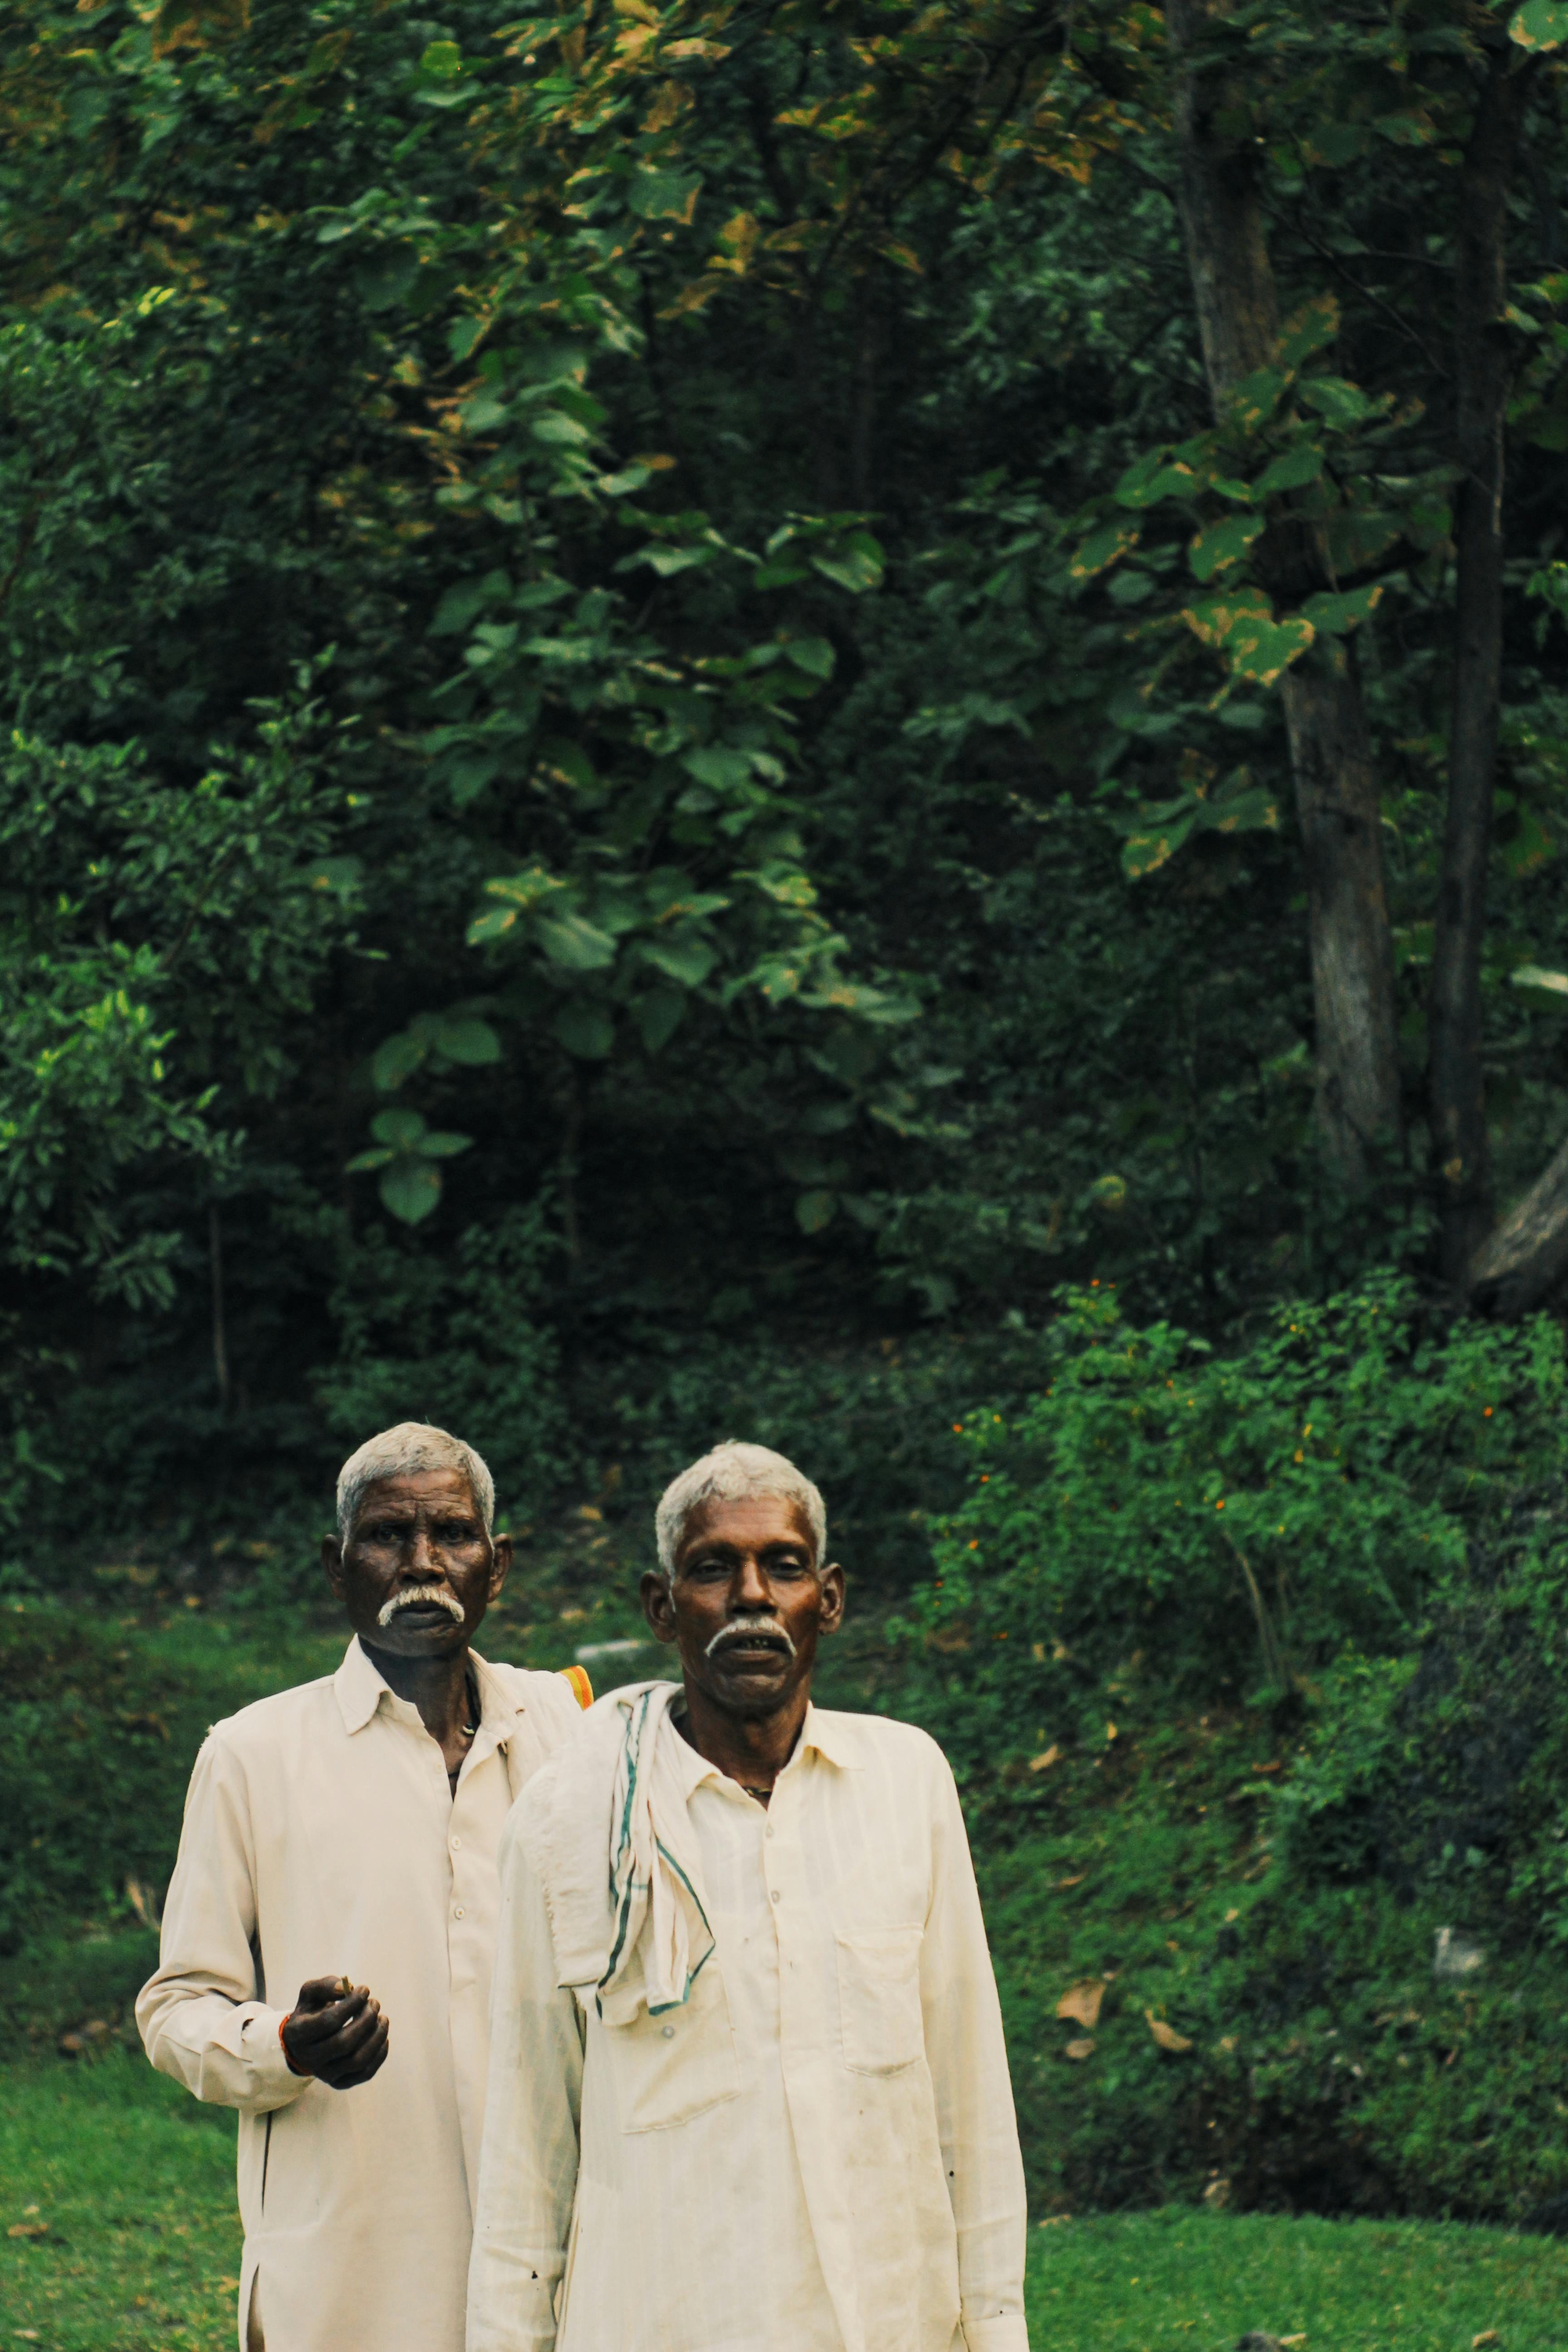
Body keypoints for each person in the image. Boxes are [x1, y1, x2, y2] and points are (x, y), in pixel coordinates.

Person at [467, 1440, 1029, 2352]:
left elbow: (970, 2101)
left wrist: (998, 2328)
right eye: (713, 1568)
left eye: (785, 1567)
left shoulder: (906, 1783)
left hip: (886, 2321)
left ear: (829, 1599)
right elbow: (528, 2150)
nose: (753, 1596)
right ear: (662, 1606)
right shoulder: (571, 1821)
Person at [137, 1422, 592, 2352]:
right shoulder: (253, 1755)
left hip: (557, 2262)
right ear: (336, 1567)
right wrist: (284, 2044)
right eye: (387, 1536)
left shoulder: (565, 1730)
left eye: (453, 1535)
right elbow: (177, 2007)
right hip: (352, 2277)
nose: (423, 1564)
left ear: (498, 1565)